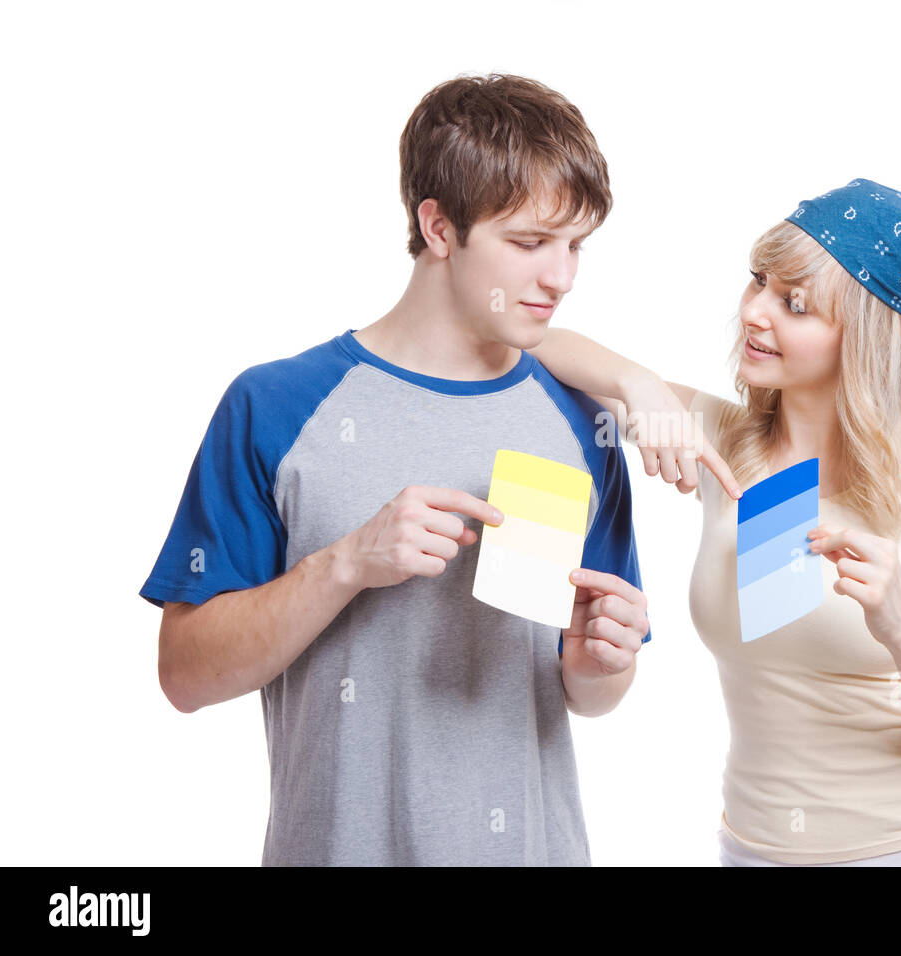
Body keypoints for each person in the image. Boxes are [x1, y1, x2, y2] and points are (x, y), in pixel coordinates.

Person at [139, 74, 651, 866]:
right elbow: (184, 676)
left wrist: (598, 665)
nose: (562, 278)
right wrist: (344, 565)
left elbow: (588, 693)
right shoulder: (275, 406)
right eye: (527, 243)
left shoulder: (584, 424)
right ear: (438, 227)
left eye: (575, 244)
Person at [531, 178, 901, 866]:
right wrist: (641, 384)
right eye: (758, 282)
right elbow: (537, 347)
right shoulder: (728, 446)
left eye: (795, 304)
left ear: (865, 338)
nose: (755, 312)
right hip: (751, 849)